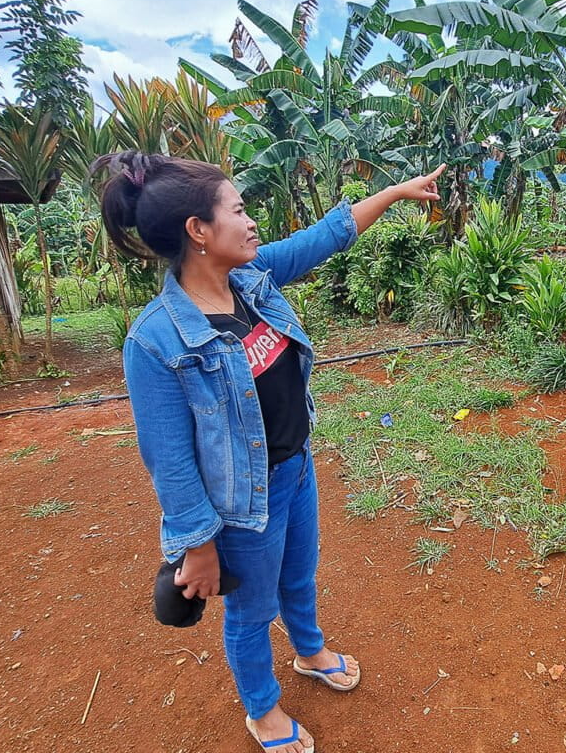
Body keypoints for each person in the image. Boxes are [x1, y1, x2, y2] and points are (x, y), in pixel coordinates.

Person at [95, 151, 445, 752]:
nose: (252, 222)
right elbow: (170, 460)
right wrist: (198, 548)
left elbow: (324, 237)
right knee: (251, 612)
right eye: (239, 210)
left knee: (300, 576)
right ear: (198, 231)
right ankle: (262, 708)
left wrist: (391, 194)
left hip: (296, 469)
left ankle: (309, 651)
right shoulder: (155, 340)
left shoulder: (251, 281)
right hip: (239, 505)